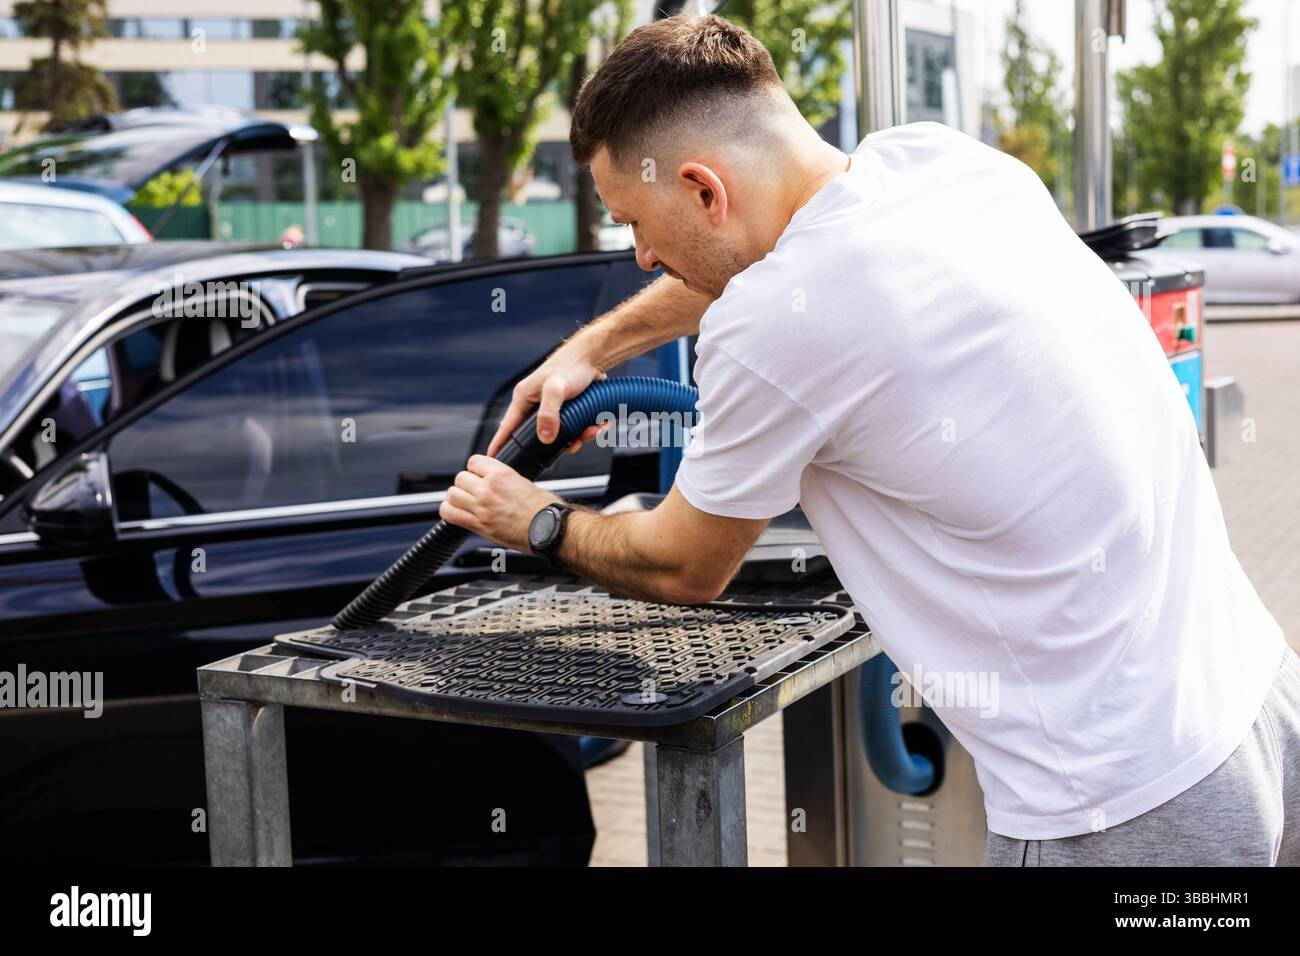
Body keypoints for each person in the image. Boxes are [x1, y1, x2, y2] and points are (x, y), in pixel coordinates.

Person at [437, 14, 1300, 865]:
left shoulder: (773, 327)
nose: (639, 255)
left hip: (1122, 808)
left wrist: (535, 520)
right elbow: (785, 266)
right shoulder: (944, 162)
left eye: (635, 219)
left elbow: (683, 565)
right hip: (1256, 700)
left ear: (704, 188)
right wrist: (598, 343)